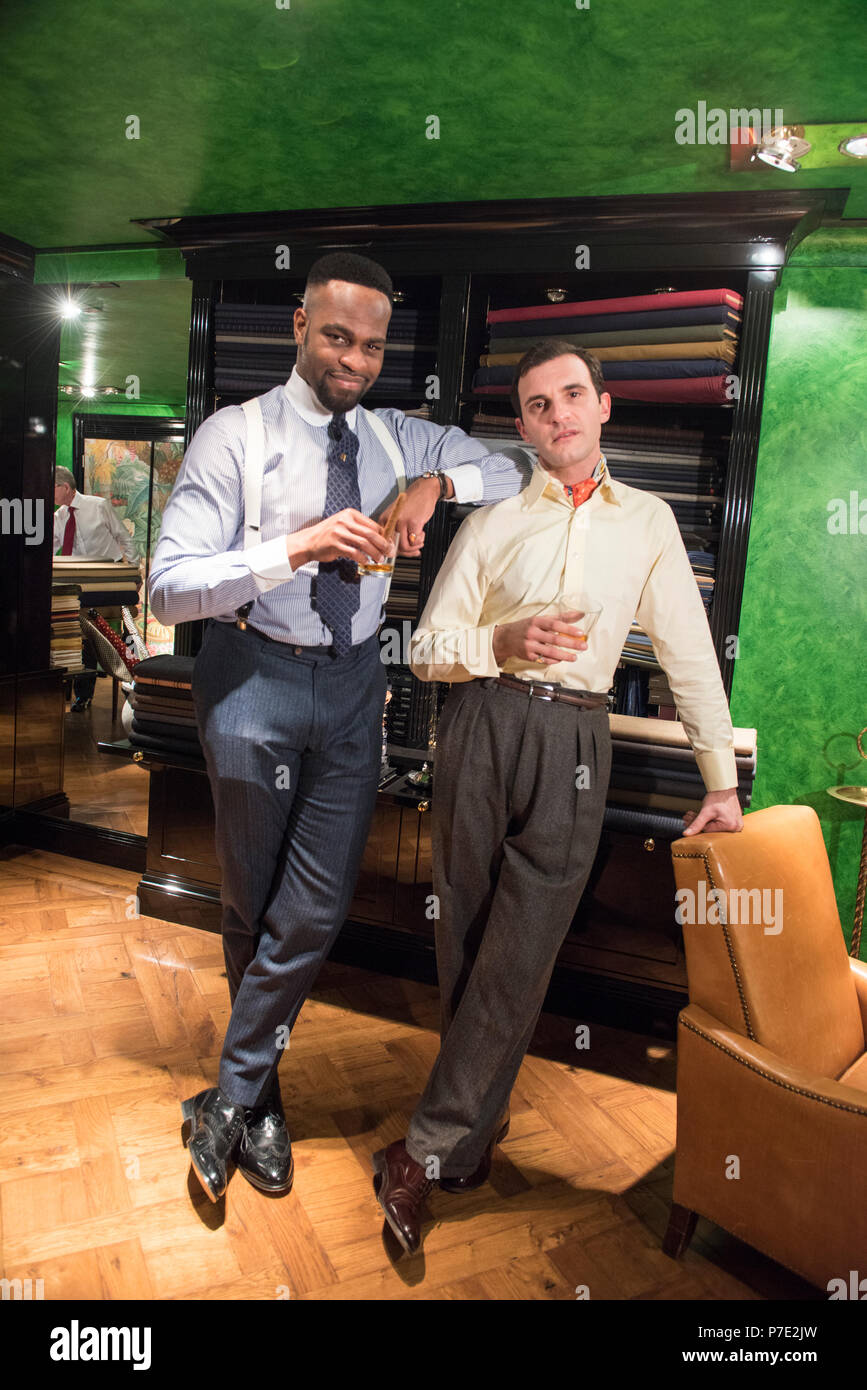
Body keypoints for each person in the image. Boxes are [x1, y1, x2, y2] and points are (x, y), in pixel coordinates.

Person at [148, 252, 533, 1203]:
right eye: (336, 336)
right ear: (298, 328)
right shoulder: (231, 438)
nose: (353, 359)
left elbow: (515, 461)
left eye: (370, 343)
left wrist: (433, 489)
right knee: (251, 902)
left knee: (314, 908)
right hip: (250, 678)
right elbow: (165, 589)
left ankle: (227, 1099)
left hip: (357, 686)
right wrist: (297, 546)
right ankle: (263, 1099)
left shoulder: (399, 436)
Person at [372, 340, 743, 1257]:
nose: (558, 416)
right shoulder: (491, 521)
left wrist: (720, 782)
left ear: (602, 407)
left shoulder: (650, 523)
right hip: (479, 726)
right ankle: (471, 1133)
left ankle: (421, 1151)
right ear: (524, 425)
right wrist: (499, 642)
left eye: (572, 396)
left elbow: (690, 655)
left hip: (578, 737)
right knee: (463, 933)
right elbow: (426, 650)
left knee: (522, 948)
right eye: (537, 405)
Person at [53, 466, 140, 710]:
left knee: (127, 633)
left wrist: (133, 572)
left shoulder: (98, 506)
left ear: (66, 487)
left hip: (111, 584)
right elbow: (47, 550)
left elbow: (124, 537)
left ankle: (135, 686)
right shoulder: (58, 517)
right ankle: (84, 695)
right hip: (80, 588)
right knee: (85, 638)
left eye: (53, 487)